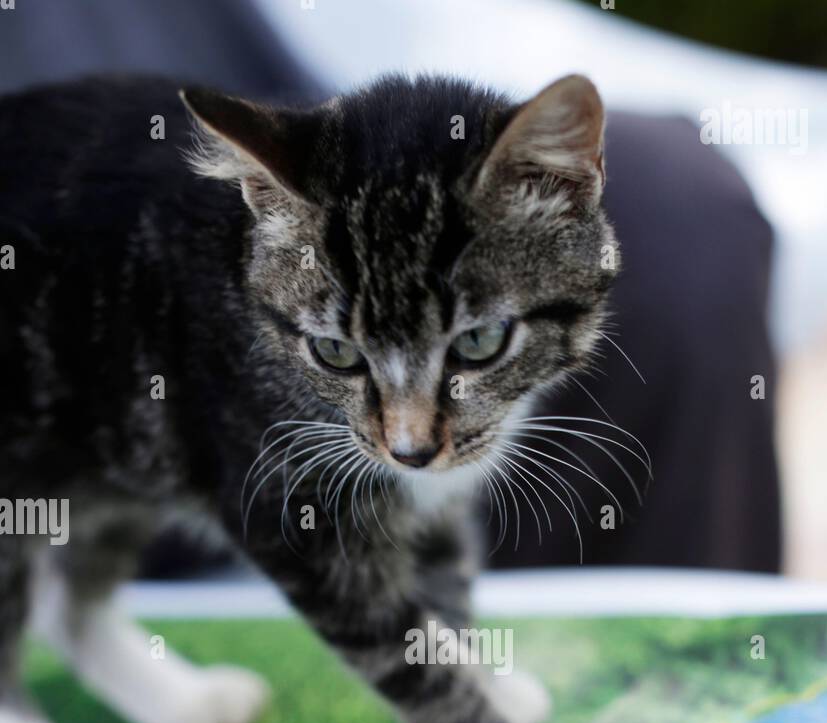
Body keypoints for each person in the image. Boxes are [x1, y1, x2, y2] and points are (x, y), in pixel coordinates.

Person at [0, 0, 781, 572]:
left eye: (476, 342)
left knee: (686, 215)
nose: (409, 440)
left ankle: (668, 650)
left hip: (268, 104)